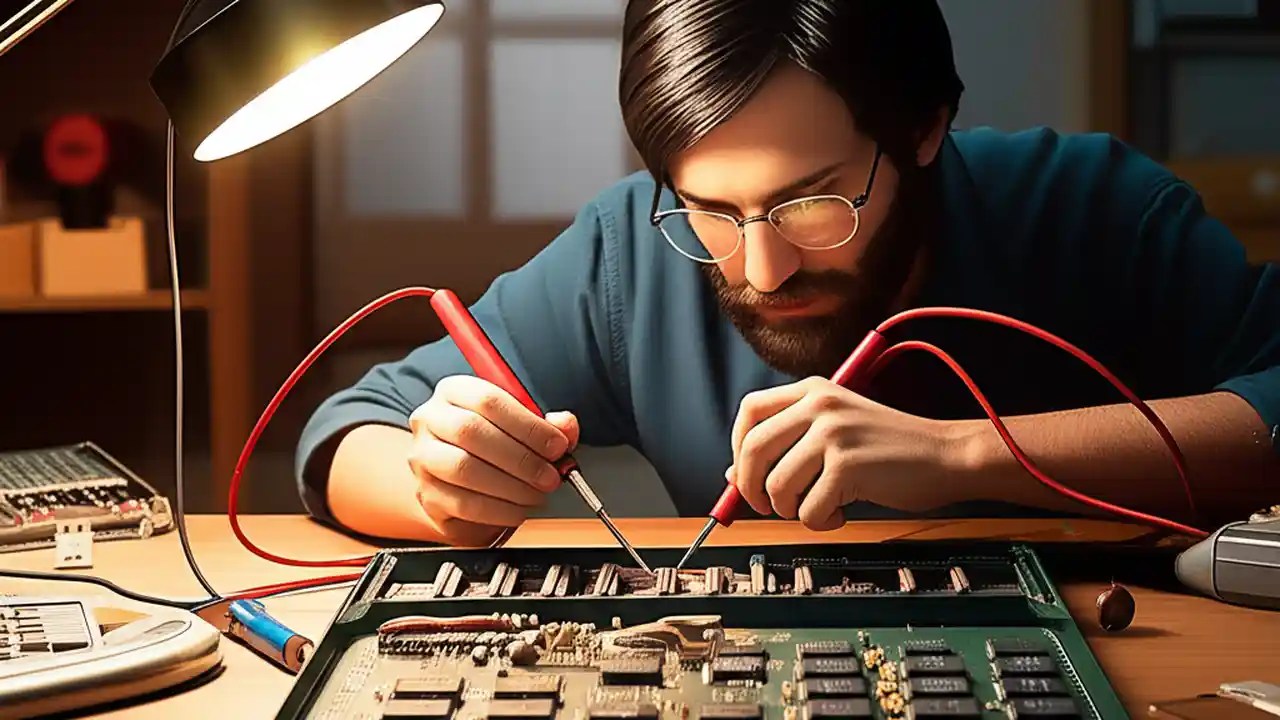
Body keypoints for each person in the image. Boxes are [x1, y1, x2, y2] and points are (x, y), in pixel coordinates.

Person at [295, 0, 1280, 546]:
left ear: (923, 128)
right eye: (712, 211)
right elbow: (348, 433)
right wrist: (438, 483)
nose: (761, 269)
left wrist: (959, 457)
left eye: (814, 201)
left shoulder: (1089, 207)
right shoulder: (627, 253)